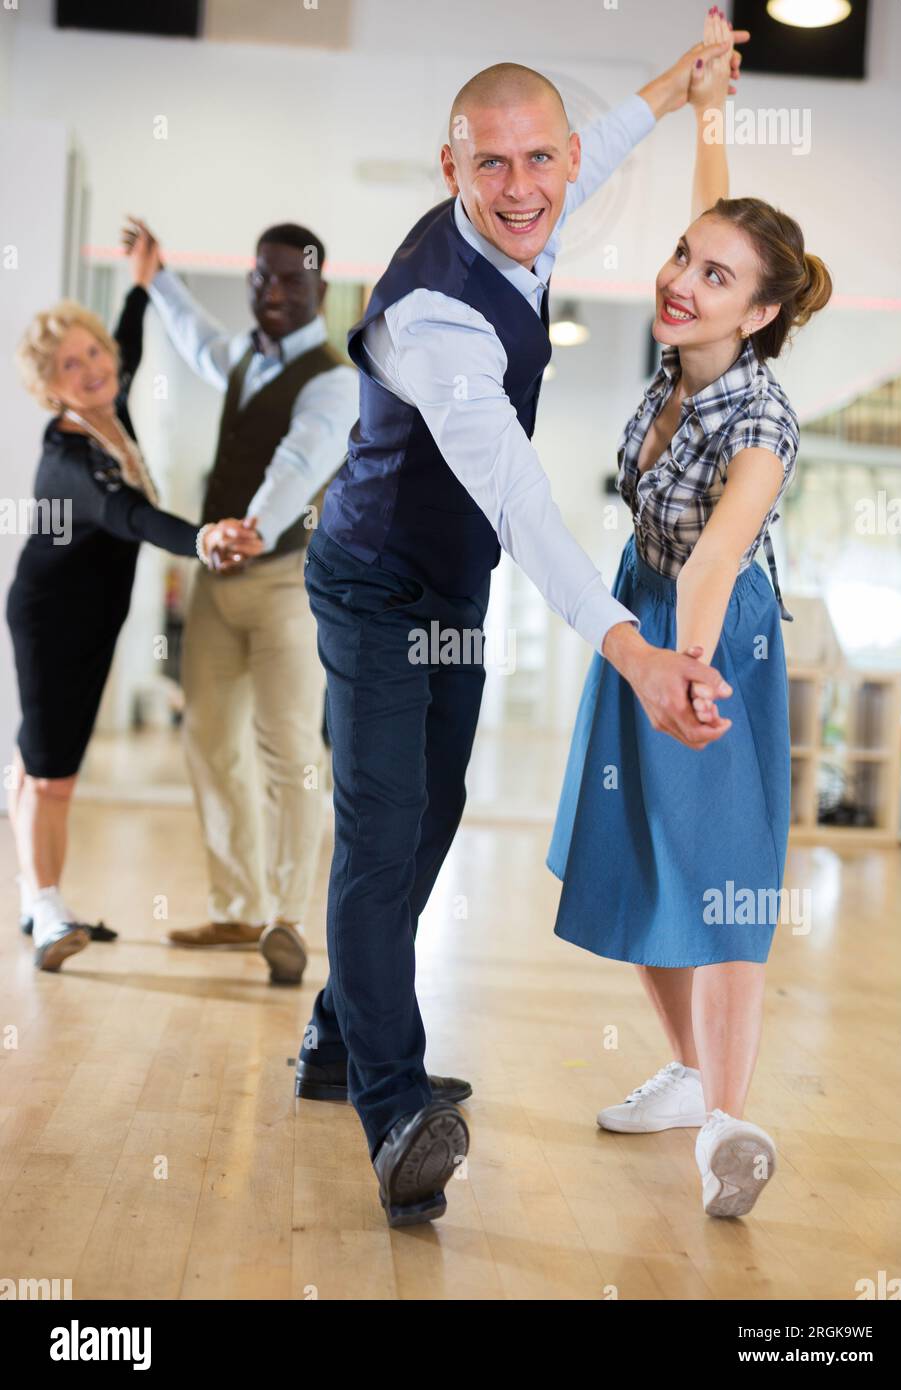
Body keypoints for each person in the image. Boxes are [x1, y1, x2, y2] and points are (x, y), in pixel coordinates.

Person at [294, 23, 750, 1227]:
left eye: (535, 159)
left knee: (433, 815)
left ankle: (337, 1035)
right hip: (373, 579)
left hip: (451, 588)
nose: (523, 187)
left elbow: (591, 149)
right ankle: (394, 1109)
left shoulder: (540, 194)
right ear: (450, 168)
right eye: (489, 165)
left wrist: (678, 85)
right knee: (383, 831)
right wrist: (633, 647)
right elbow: (521, 503)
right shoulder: (435, 320)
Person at [547, 9, 833, 1218]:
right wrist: (708, 113)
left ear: (756, 313)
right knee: (635, 857)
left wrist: (687, 669)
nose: (679, 278)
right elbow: (720, 226)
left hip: (714, 633)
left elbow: (717, 560)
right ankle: (683, 1074)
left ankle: (725, 1125)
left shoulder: (758, 417)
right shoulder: (682, 355)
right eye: (679, 256)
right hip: (638, 613)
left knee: (719, 882)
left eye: (713, 277)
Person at [122, 218, 359, 985]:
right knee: (209, 739)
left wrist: (247, 530)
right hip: (216, 583)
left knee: (289, 747)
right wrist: (157, 276)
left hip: (288, 582)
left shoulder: (333, 376)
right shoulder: (239, 359)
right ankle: (238, 905)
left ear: (320, 288)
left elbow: (301, 460)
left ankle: (287, 916)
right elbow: (195, 338)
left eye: (292, 278)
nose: (275, 290)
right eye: (263, 276)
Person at [6, 240, 249, 972]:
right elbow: (136, 519)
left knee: (34, 761)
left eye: (92, 354)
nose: (91, 370)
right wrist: (202, 536)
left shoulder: (106, 407)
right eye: (69, 368)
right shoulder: (72, 458)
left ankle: (32, 896)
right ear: (51, 388)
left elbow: (128, 351)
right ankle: (48, 908)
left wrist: (141, 288)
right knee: (52, 771)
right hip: (53, 620)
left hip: (91, 611)